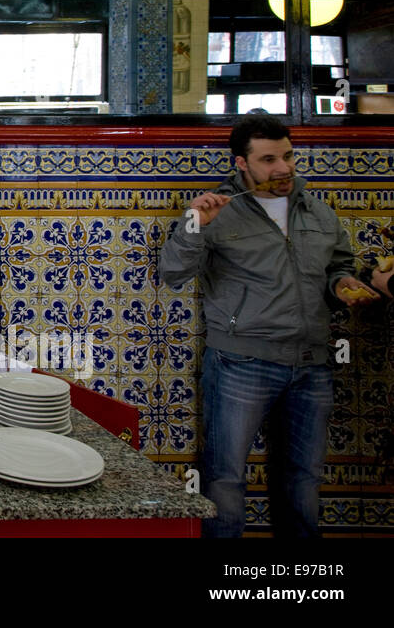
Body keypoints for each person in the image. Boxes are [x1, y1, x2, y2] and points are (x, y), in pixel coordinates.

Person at [159, 114, 378, 537]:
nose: (283, 168)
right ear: (242, 163)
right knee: (225, 478)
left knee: (304, 477)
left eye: (289, 156)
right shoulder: (216, 211)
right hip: (242, 362)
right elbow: (172, 273)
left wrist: (346, 284)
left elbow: (338, 268)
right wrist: (193, 226)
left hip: (312, 363)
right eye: (268, 160)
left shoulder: (316, 209)